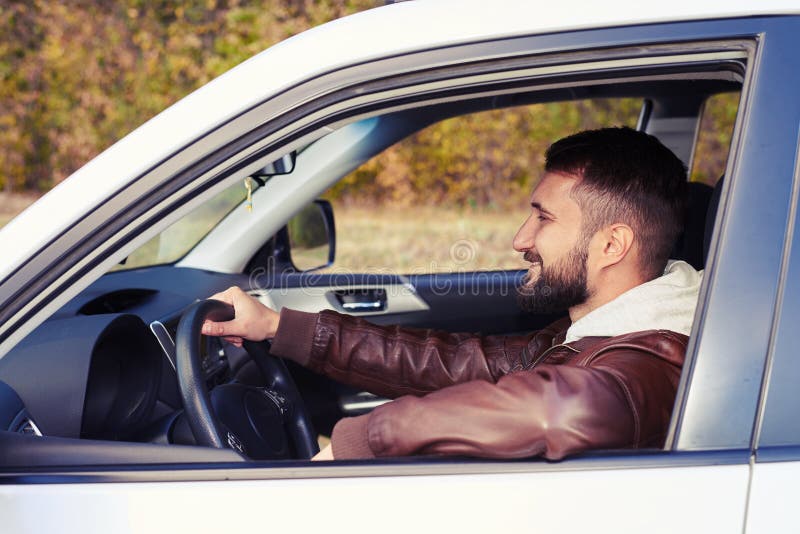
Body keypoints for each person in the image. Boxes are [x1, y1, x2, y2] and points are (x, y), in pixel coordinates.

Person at [202, 127, 702, 461]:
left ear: (612, 244)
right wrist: (276, 326)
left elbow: (563, 410)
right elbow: (459, 365)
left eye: (544, 219)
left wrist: (361, 439)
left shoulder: (649, 359)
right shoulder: (597, 328)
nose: (521, 239)